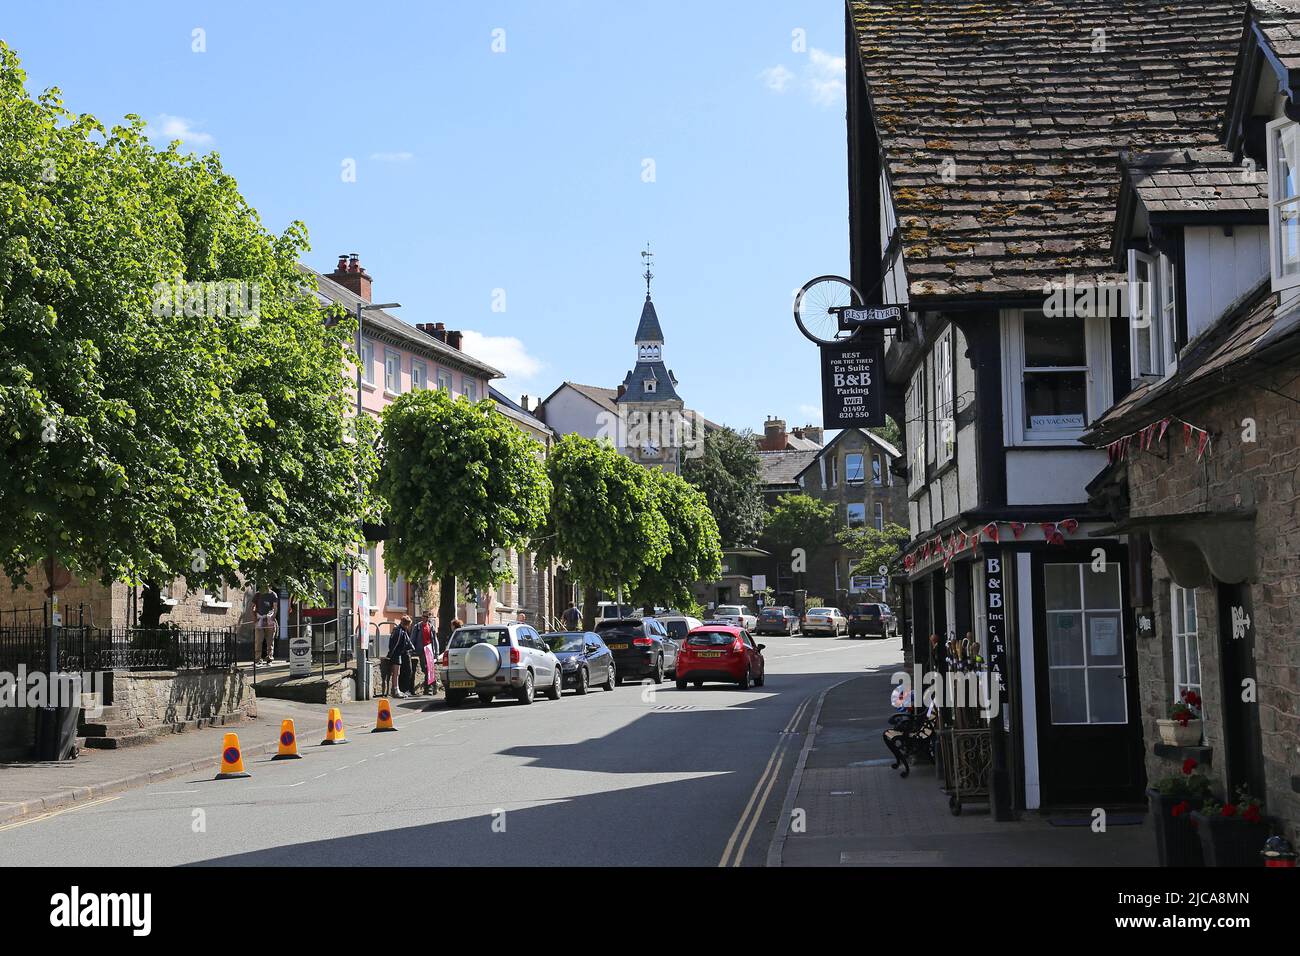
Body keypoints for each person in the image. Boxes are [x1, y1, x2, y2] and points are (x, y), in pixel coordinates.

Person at [387, 616, 416, 698]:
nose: (409, 626)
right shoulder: (400, 631)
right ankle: (395, 690)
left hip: (397, 654)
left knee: (397, 673)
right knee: (396, 673)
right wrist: (391, 654)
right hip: (396, 654)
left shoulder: (399, 630)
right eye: (409, 625)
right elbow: (395, 644)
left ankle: (397, 689)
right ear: (406, 624)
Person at [413, 610, 438, 695]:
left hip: (429, 649)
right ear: (422, 617)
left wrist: (436, 653)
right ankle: (434, 685)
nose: (425, 618)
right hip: (421, 650)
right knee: (425, 669)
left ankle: (428, 689)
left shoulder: (431, 627)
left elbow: (435, 640)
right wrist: (412, 649)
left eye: (427, 617)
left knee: (429, 669)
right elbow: (413, 638)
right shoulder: (417, 627)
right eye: (424, 616)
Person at [253, 589, 278, 664]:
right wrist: (254, 617)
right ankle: (258, 659)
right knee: (258, 640)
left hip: (269, 620)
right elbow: (253, 607)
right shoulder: (257, 594)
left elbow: (275, 608)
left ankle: (269, 658)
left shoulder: (273, 594)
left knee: (270, 641)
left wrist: (272, 617)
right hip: (259, 619)